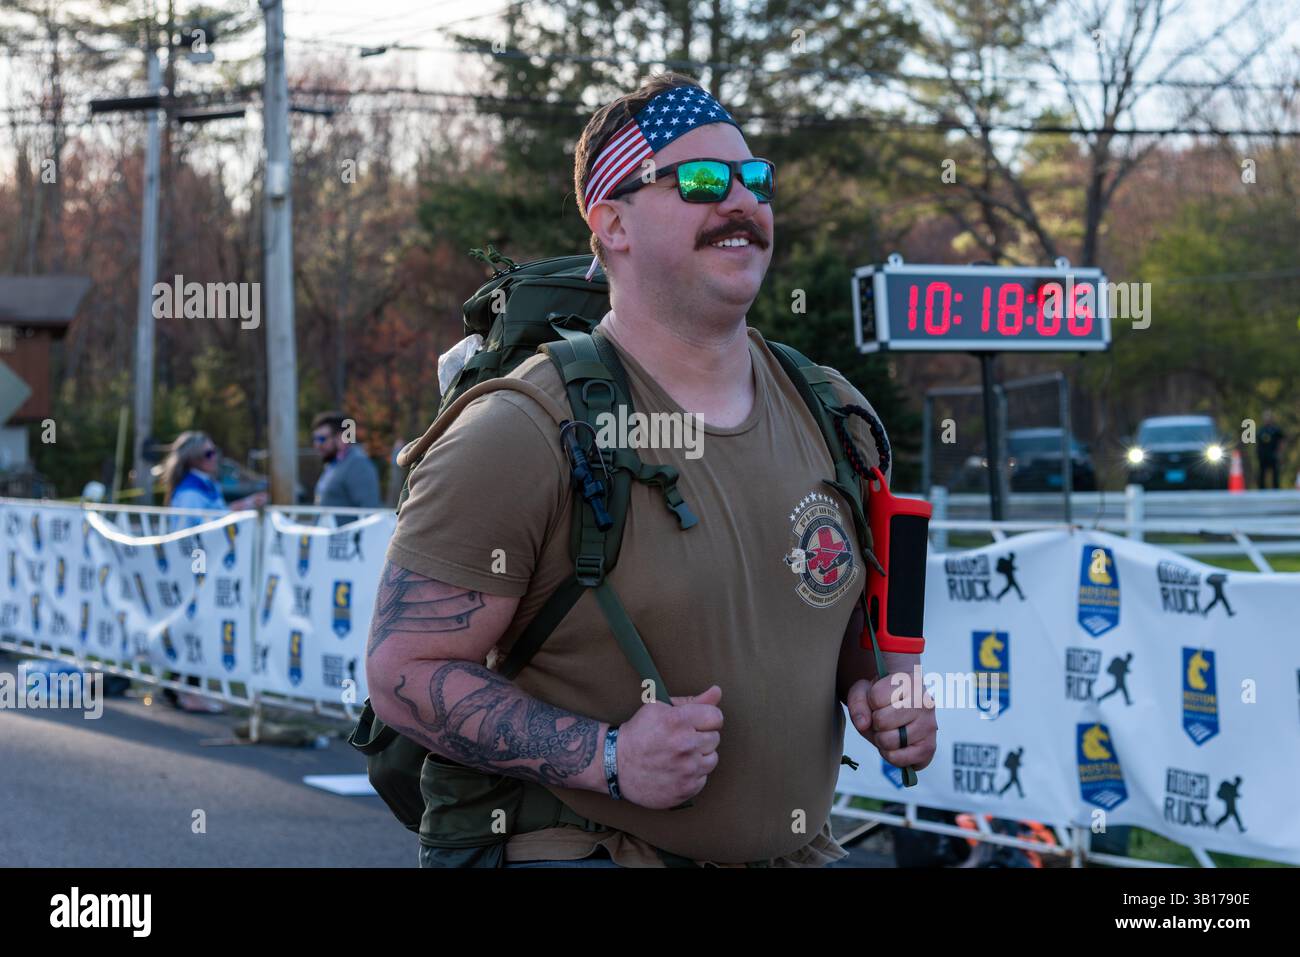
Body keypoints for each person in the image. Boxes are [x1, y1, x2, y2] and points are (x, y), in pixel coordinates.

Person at [366, 73, 937, 868]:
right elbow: (402, 673)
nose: (740, 200)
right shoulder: (523, 429)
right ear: (613, 224)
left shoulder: (835, 412)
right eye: (701, 180)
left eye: (754, 178)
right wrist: (605, 756)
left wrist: (886, 692)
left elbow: (857, 630)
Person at [159, 431, 263, 712]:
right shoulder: (191, 491)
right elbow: (189, 530)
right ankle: (185, 689)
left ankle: (178, 686)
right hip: (194, 568)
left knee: (197, 627)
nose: (214, 457)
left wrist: (240, 508)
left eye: (214, 451)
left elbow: (213, 516)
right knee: (195, 627)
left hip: (204, 567)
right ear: (193, 458)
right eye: (208, 453)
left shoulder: (202, 485)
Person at [310, 411, 381, 509]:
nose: (317, 444)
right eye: (315, 439)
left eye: (322, 439)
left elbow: (369, 511)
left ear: (341, 437)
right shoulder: (333, 464)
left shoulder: (358, 465)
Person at [1257, 410, 1283, 490]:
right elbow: (1257, 443)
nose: (1267, 420)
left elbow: (1281, 441)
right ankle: (1261, 489)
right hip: (1263, 455)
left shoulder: (1276, 430)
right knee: (1262, 473)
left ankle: (1276, 489)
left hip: (1273, 454)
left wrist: (1280, 452)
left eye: (1268, 418)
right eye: (1265, 418)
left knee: (1275, 473)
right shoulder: (1260, 430)